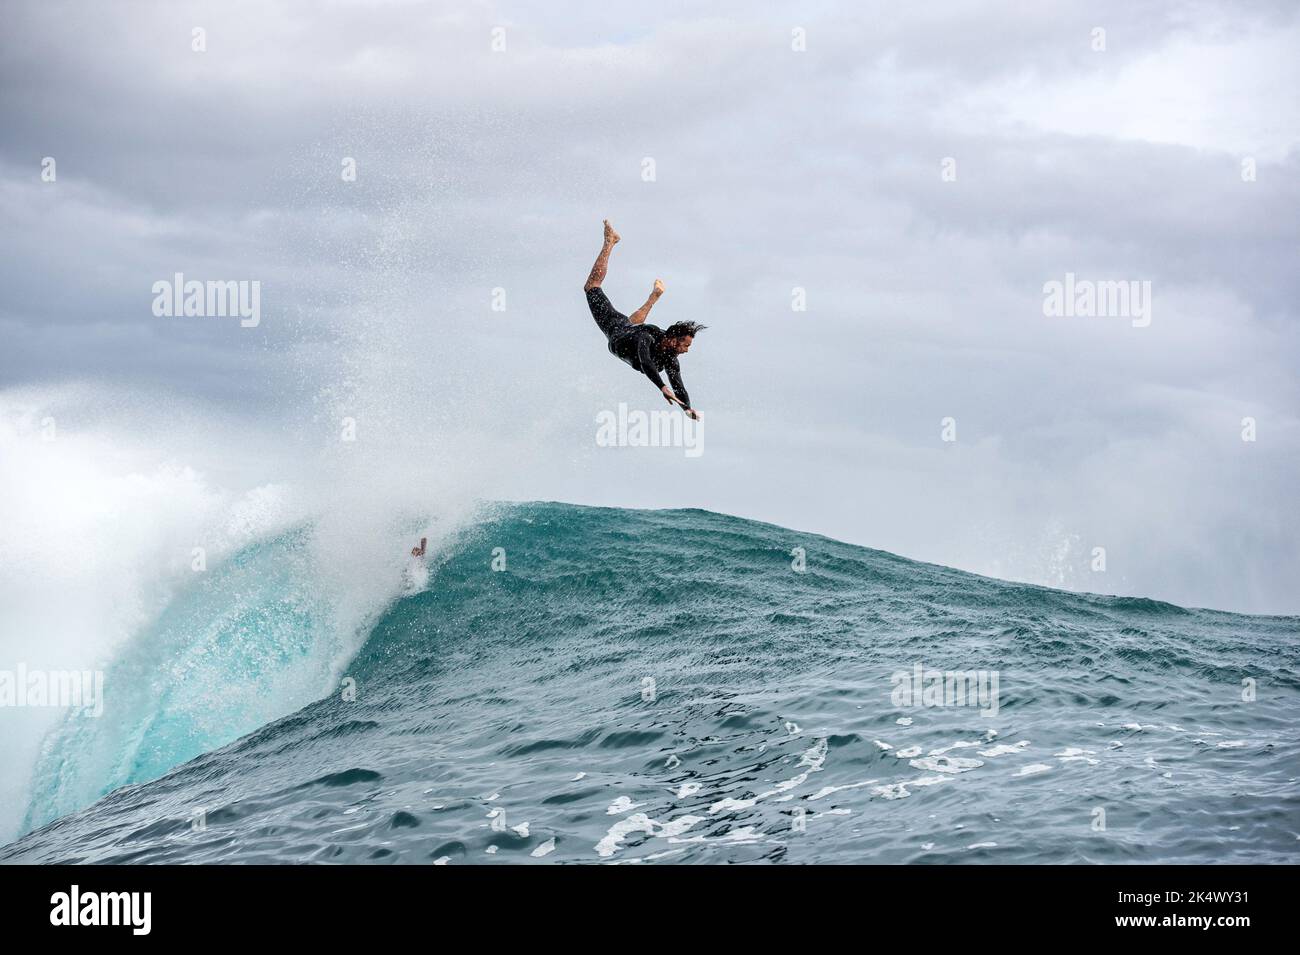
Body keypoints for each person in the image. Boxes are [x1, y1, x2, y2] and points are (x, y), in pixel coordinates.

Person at [583, 220, 704, 420]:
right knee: (592, 286)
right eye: (685, 345)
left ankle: (654, 297)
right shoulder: (647, 338)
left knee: (632, 323)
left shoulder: (671, 360)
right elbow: (645, 361)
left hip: (629, 328)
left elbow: (679, 387)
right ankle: (610, 242)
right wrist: (662, 387)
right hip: (616, 329)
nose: (686, 350)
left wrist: (688, 408)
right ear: (674, 339)